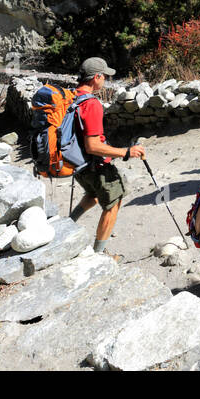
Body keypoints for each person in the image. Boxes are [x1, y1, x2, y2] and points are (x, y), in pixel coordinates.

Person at [68, 57, 144, 258]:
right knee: (113, 203)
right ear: (97, 77)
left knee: (92, 196)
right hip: (95, 165)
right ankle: (99, 255)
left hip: (78, 165)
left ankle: (66, 225)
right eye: (105, 77)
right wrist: (126, 152)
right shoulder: (92, 104)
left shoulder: (72, 97)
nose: (106, 81)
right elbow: (93, 146)